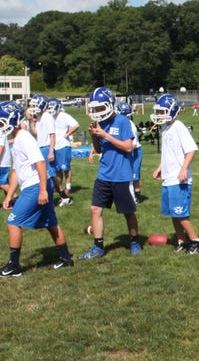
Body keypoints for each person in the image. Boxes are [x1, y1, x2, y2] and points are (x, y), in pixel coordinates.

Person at [0, 101, 74, 276]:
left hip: (35, 187)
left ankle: (14, 265)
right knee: (50, 222)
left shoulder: (23, 138)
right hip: (34, 185)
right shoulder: (17, 138)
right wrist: (9, 195)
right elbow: (17, 171)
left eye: (1, 122)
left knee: (13, 222)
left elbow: (40, 162)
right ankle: (66, 258)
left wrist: (43, 189)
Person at [81, 86, 141, 259]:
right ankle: (98, 247)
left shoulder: (123, 121)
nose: (97, 112)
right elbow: (100, 149)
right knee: (95, 209)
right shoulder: (100, 123)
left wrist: (105, 135)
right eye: (95, 108)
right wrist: (94, 136)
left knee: (128, 211)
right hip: (104, 174)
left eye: (100, 108)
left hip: (122, 175)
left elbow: (128, 147)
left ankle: (134, 241)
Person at [151, 93, 199, 253]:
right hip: (168, 178)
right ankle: (181, 240)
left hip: (178, 179)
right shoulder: (166, 128)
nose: (159, 115)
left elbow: (191, 150)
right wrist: (160, 167)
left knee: (180, 213)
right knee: (173, 213)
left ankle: (196, 240)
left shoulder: (179, 126)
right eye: (158, 112)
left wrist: (183, 170)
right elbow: (170, 153)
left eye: (162, 112)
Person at [49, 98, 78, 204]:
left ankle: (68, 187)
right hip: (54, 146)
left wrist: (66, 134)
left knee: (65, 168)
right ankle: (58, 188)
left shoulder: (64, 116)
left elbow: (76, 125)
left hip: (63, 146)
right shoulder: (50, 117)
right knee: (57, 170)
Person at [116, 102, 143, 202]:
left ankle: (136, 196)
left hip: (134, 151)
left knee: (134, 175)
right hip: (126, 150)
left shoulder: (130, 125)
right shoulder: (119, 123)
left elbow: (133, 144)